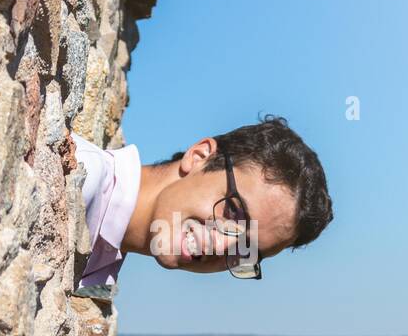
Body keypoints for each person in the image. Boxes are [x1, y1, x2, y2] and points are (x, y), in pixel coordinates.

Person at [73, 114, 333, 288]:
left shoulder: (101, 254)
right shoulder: (78, 180)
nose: (221, 246)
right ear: (199, 156)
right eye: (233, 212)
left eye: (245, 250)